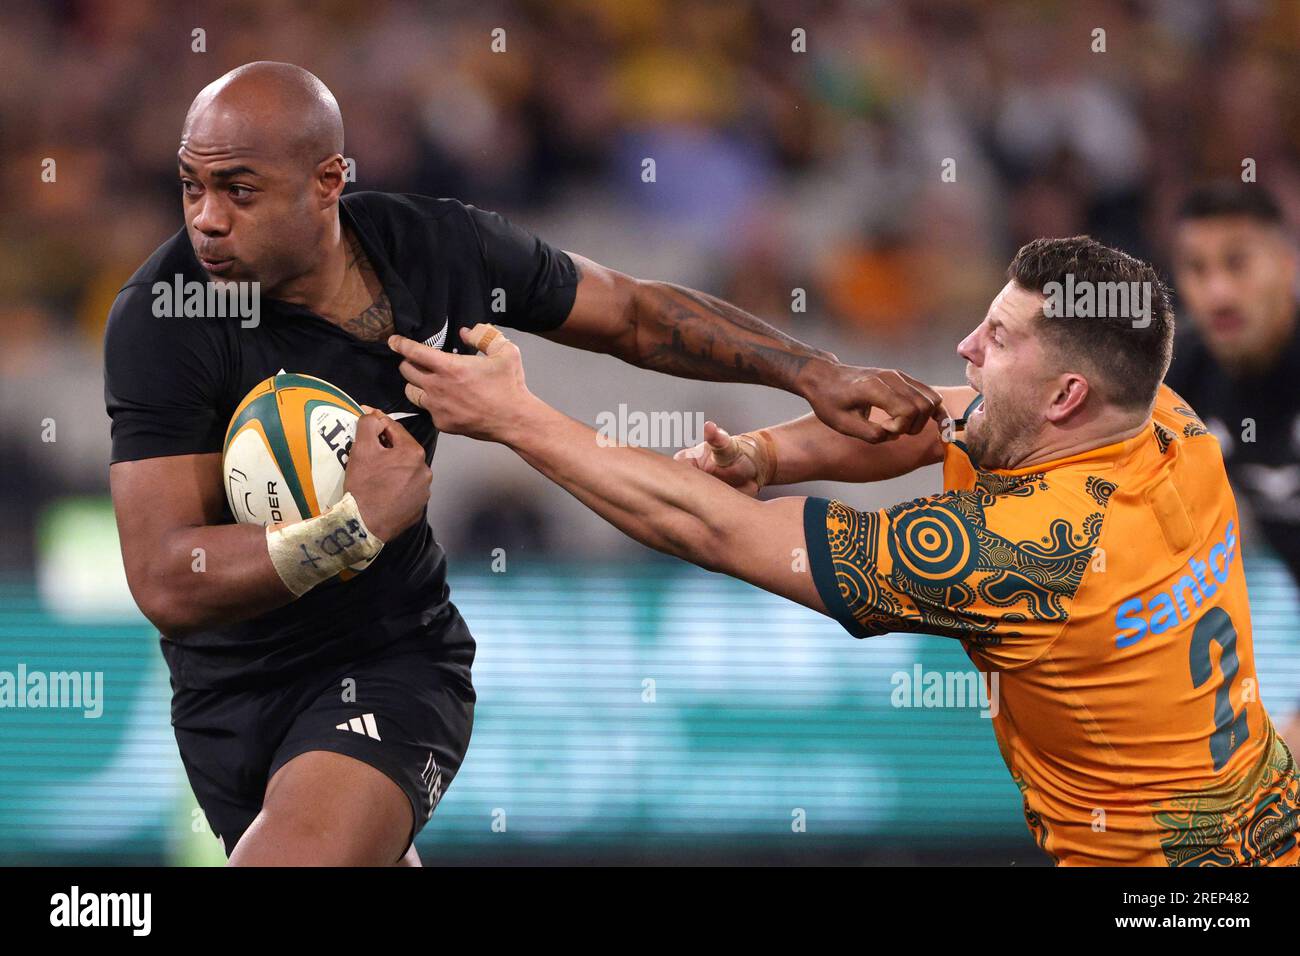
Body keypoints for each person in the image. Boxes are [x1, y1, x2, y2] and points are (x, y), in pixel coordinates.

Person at [103, 61, 941, 866]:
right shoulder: (163, 319)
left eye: (238, 190)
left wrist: (813, 372)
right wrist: (348, 530)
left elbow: (635, 315)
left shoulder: (439, 249)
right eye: (191, 185)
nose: (206, 217)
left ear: (329, 180)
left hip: (388, 660)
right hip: (227, 696)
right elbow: (167, 580)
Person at [393, 236, 1300, 866]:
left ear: (1065, 395)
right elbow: (940, 416)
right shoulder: (1158, 417)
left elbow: (712, 530)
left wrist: (516, 418)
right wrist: (768, 453)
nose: (965, 346)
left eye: (999, 339)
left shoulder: (1023, 561)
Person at [1166, 182, 1300, 754]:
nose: (1217, 291)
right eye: (1197, 270)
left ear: (1288, 261)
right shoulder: (1184, 380)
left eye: (1237, 262)